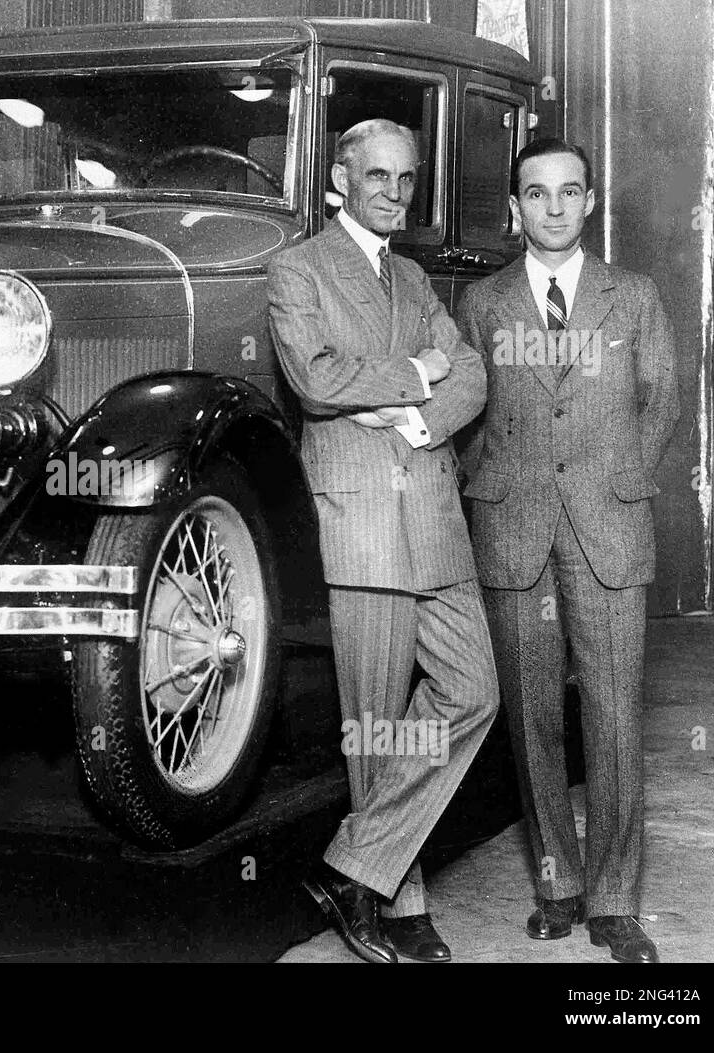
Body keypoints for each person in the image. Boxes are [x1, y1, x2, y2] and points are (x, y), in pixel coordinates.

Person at [267, 118, 498, 964]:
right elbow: (317, 378)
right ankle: (397, 902)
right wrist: (415, 370)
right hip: (359, 514)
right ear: (341, 178)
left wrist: (413, 416)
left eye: (406, 180)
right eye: (378, 177)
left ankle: (352, 867)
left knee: (473, 691)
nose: (394, 194)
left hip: (430, 510)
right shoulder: (299, 267)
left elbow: (471, 369)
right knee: (375, 723)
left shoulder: (414, 275)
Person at [455, 138, 679, 964]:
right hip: (515, 534)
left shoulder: (636, 297)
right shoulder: (482, 303)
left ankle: (616, 898)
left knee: (615, 720)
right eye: (536, 194)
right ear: (515, 208)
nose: (553, 207)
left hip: (608, 533)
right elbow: (468, 418)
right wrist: (506, 488)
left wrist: (617, 481)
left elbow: (660, 403)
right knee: (535, 720)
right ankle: (558, 881)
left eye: (568, 192)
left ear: (590, 202)